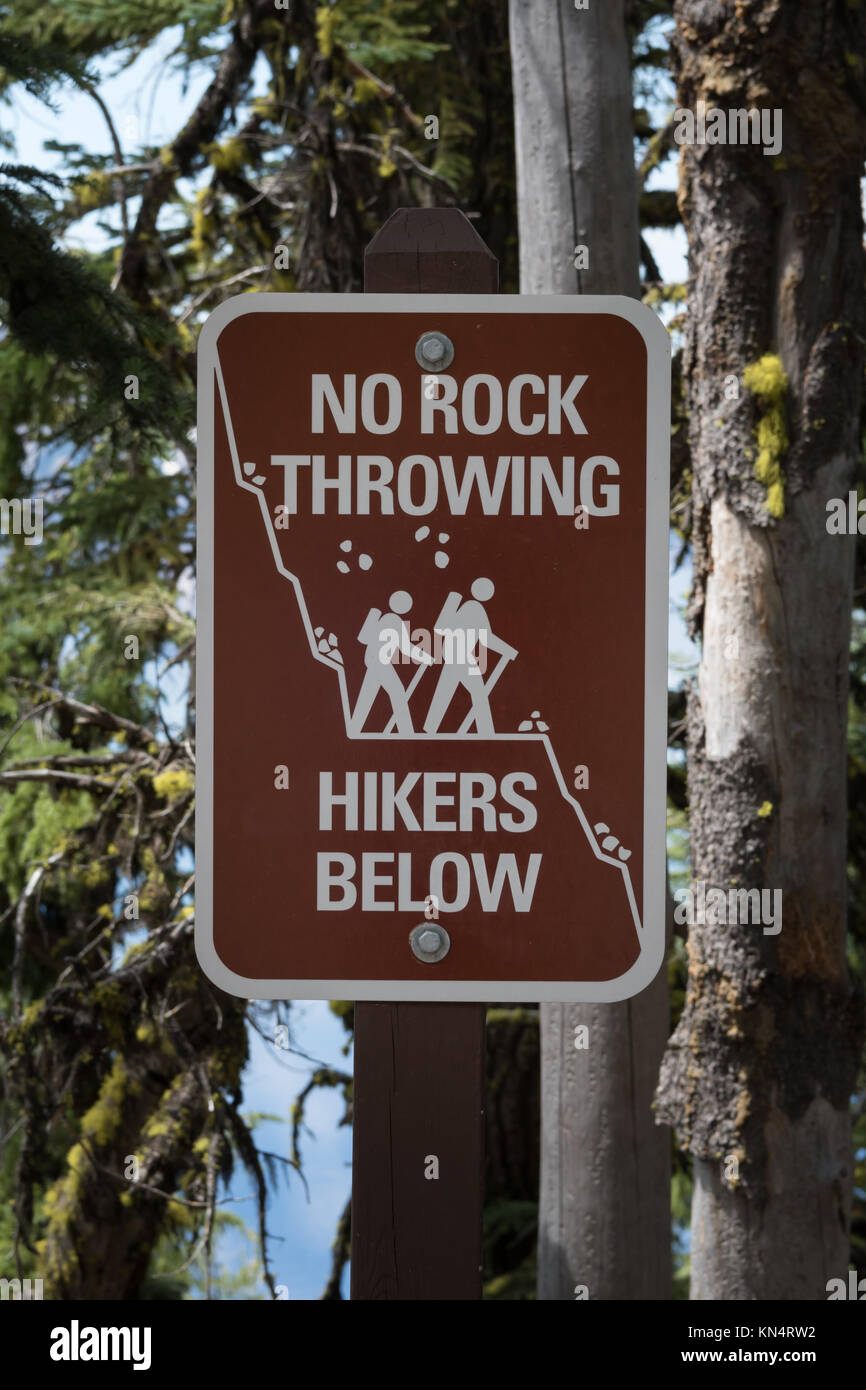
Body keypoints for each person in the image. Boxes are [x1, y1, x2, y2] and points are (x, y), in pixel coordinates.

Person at [423, 577, 517, 736]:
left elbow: (485, 637)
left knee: (445, 691)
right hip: (461, 657)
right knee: (477, 692)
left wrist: (507, 651)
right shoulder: (474, 608)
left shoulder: (469, 607)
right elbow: (486, 638)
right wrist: (508, 651)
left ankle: (429, 729)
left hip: (455, 655)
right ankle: (486, 732)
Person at [350, 590, 431, 735]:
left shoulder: (384, 618)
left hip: (374, 661)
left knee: (367, 695)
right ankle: (406, 732)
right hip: (380, 662)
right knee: (397, 692)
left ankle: (355, 727)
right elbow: (405, 647)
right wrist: (425, 657)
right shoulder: (394, 620)